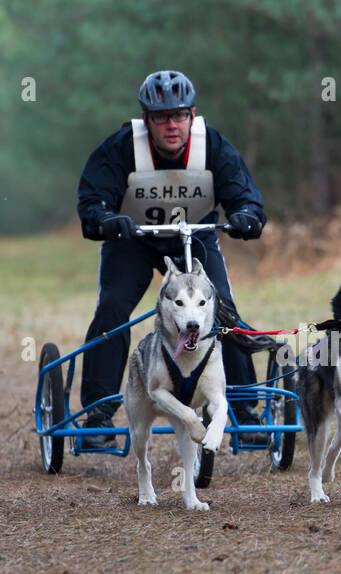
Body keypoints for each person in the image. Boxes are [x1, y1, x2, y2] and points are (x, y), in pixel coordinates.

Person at [76, 69, 266, 446]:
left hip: (193, 238)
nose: (171, 125)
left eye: (179, 115)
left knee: (222, 309)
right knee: (112, 309)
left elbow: (246, 197)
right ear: (146, 119)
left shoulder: (213, 146)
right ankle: (98, 414)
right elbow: (92, 201)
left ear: (192, 115)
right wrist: (106, 218)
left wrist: (247, 215)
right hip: (132, 239)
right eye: (161, 117)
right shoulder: (121, 148)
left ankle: (245, 411)